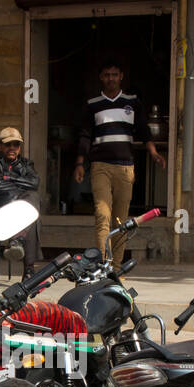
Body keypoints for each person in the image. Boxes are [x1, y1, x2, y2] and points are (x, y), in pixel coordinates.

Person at [74, 63, 164, 266]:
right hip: (100, 166)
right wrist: (80, 163)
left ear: (121, 76)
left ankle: (116, 269)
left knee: (121, 221)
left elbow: (143, 130)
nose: (111, 78)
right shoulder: (93, 104)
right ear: (101, 77)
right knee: (102, 215)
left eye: (115, 74)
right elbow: (85, 136)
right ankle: (101, 265)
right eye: (107, 75)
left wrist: (153, 152)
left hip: (125, 168)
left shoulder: (132, 102)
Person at [0, 127, 41, 274]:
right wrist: (20, 191)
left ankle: (17, 241)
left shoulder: (26, 164)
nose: (12, 148)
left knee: (33, 199)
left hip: (17, 212)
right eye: (8, 144)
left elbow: (34, 183)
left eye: (16, 144)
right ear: (0, 146)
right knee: (30, 211)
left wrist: (9, 178)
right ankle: (29, 271)